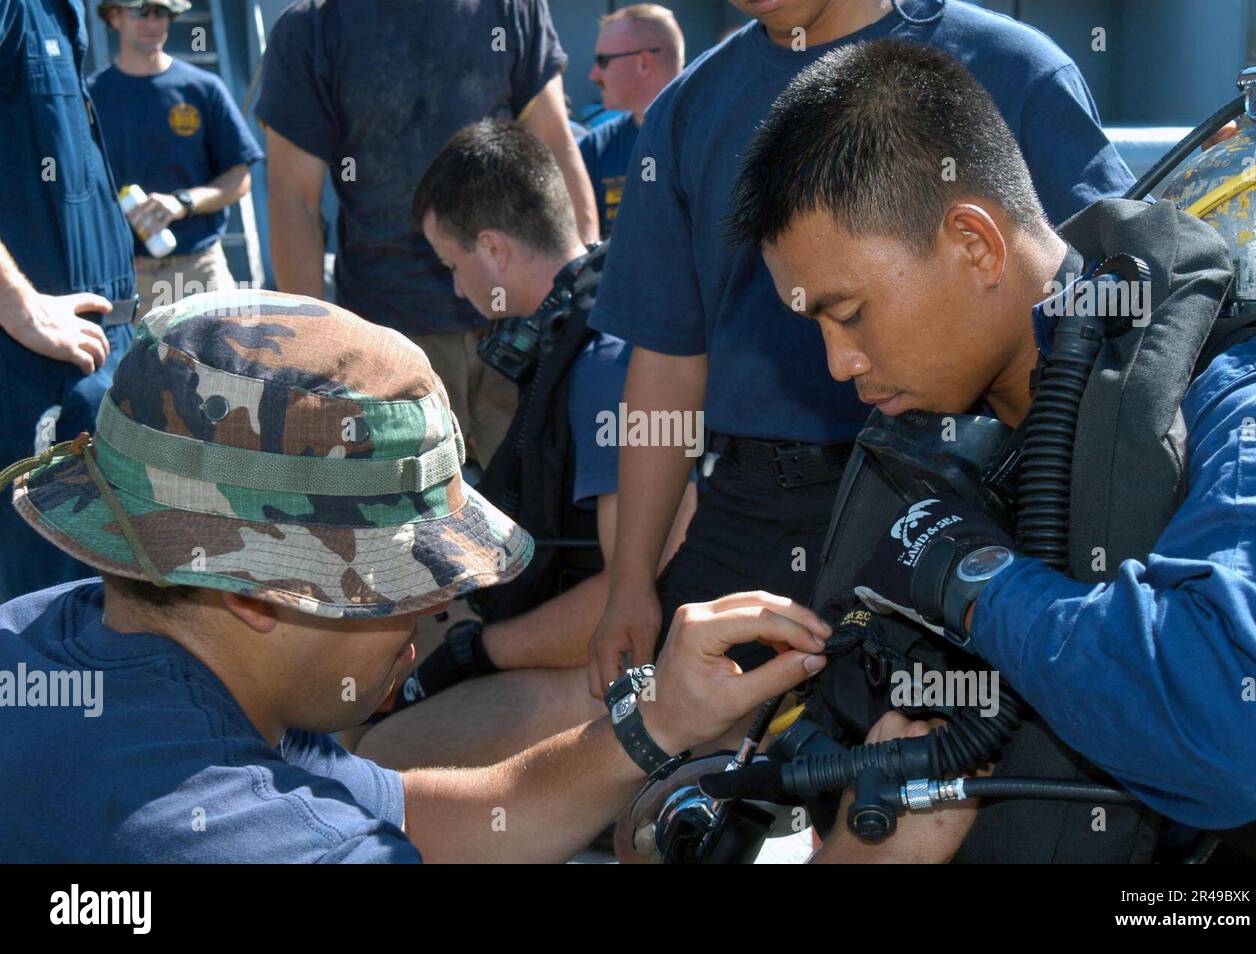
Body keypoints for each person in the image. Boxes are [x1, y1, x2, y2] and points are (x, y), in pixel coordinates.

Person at [0, 288, 968, 863]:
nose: (431, 623)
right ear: (259, 593)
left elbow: (423, 819)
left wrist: (659, 725)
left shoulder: (60, 636)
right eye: (400, 591)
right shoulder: (230, 839)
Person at [728, 38, 1256, 846]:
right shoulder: (926, 446)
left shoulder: (1243, 410)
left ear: (975, 243)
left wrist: (974, 578)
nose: (839, 363)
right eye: (815, 323)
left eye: (850, 313)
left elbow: (1254, 735)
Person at [585, 0, 1136, 701]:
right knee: (677, 764)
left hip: (983, 492)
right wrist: (630, 582)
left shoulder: (1015, 68)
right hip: (757, 506)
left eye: (846, 314)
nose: (839, 360)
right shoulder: (688, 108)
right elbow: (667, 360)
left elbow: (1106, 291)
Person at [351, 120, 695, 769]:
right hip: (589, 641)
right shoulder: (599, 309)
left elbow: (639, 596)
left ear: (494, 249)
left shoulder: (602, 365)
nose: (456, 290)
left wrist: (480, 652)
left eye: (453, 266)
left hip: (640, 668)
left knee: (380, 759)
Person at [255, 0, 597, 468]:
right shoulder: (312, 28)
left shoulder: (508, 8)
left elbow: (555, 146)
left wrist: (580, 295)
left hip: (519, 321)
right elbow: (293, 200)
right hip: (391, 335)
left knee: (538, 507)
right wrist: (316, 350)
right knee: (410, 521)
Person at [0, 0, 137, 603]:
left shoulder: (64, 10)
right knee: (47, 619)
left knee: (108, 602)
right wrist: (19, 306)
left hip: (91, 370)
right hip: (28, 380)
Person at [89, 0, 263, 307]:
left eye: (162, 13)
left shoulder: (203, 89)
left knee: (217, 354)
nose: (152, 22)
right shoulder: (92, 97)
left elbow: (239, 178)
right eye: (141, 12)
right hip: (123, 274)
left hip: (199, 269)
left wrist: (183, 202)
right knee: (128, 357)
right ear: (114, 17)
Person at [580, 4, 684, 238]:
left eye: (603, 60)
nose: (594, 74)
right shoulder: (596, 149)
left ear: (644, 63)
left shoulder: (709, 138)